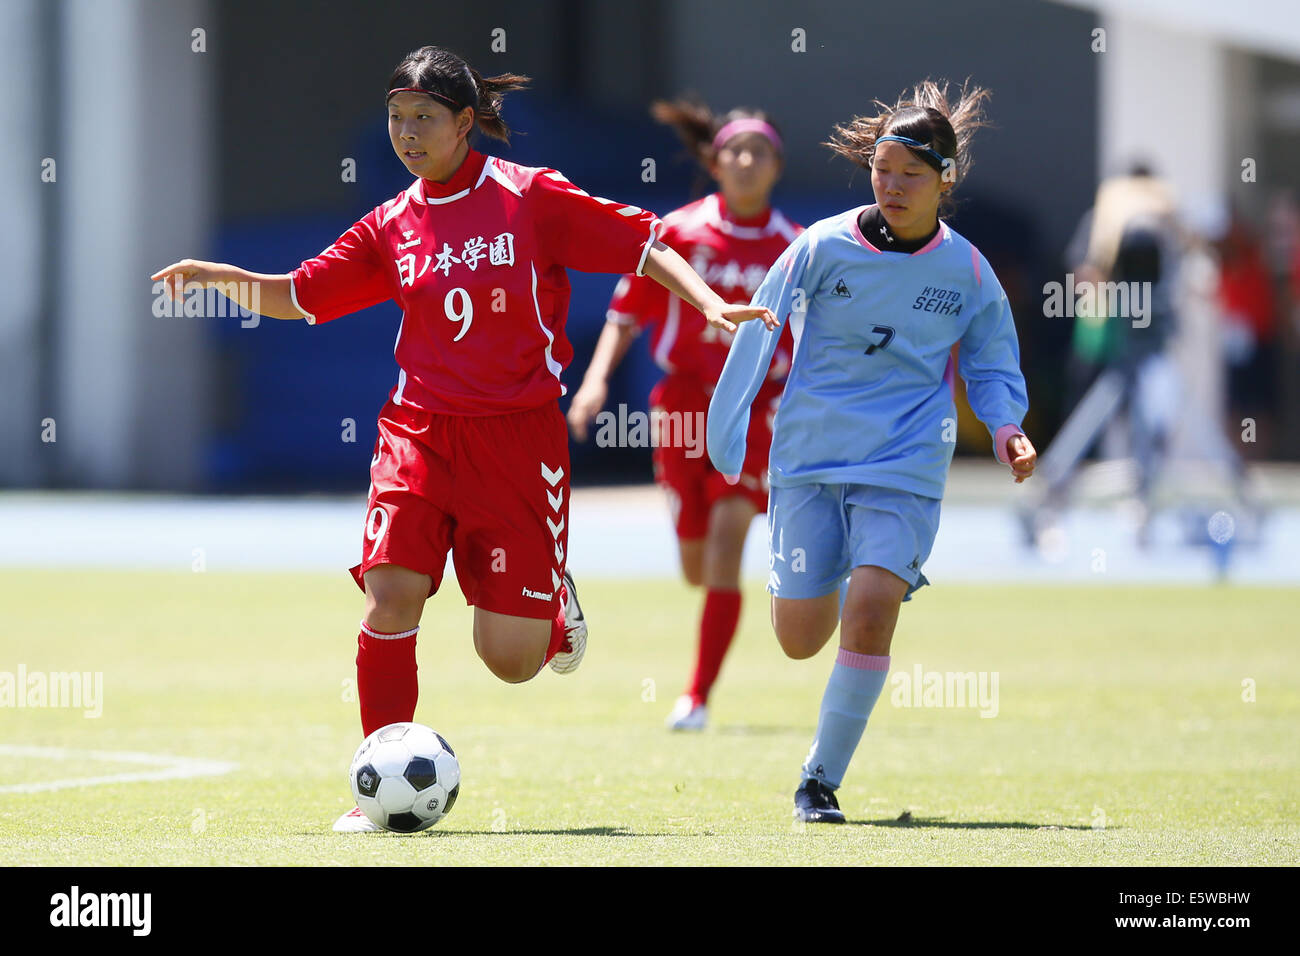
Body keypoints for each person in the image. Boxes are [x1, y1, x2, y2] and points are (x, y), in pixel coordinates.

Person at [151, 45, 774, 832]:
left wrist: (710, 305)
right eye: (395, 118)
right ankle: (374, 787)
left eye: (424, 119)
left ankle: (551, 608)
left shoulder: (531, 197)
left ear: (466, 124)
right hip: (418, 432)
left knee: (510, 662)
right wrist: (220, 277)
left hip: (519, 442)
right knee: (391, 596)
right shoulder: (391, 224)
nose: (406, 134)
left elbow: (647, 245)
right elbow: (303, 295)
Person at [707, 80, 1036, 823]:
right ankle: (807, 592)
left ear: (944, 182)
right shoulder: (822, 246)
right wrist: (726, 433)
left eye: (909, 174)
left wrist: (1008, 426)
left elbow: (989, 362)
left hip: (906, 461)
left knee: (873, 606)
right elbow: (759, 328)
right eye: (881, 169)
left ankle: (818, 781)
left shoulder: (969, 272)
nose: (890, 184)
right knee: (799, 638)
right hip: (811, 461)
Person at [568, 96, 800, 731]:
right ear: (713, 160)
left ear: (777, 166)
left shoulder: (796, 249)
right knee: (697, 562)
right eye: (734, 151)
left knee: (727, 540)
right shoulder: (680, 233)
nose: (746, 162)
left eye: (759, 152)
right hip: (681, 408)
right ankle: (706, 610)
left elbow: (816, 338)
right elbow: (627, 313)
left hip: (756, 407)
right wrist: (593, 384)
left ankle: (696, 697)